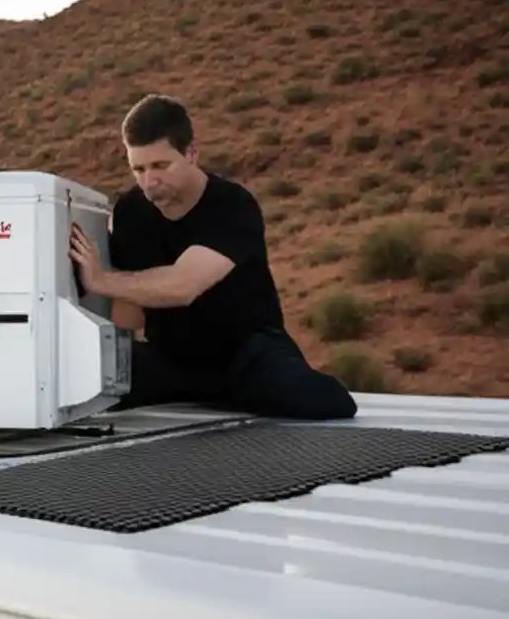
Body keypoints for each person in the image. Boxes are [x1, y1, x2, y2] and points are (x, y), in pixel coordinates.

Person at [68, 93, 357, 420]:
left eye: (161, 165)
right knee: (85, 380)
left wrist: (101, 280)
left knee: (322, 403)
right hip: (174, 361)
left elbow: (183, 286)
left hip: (246, 354)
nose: (150, 181)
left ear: (191, 153)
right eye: (139, 169)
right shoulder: (130, 212)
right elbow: (129, 316)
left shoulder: (232, 205)